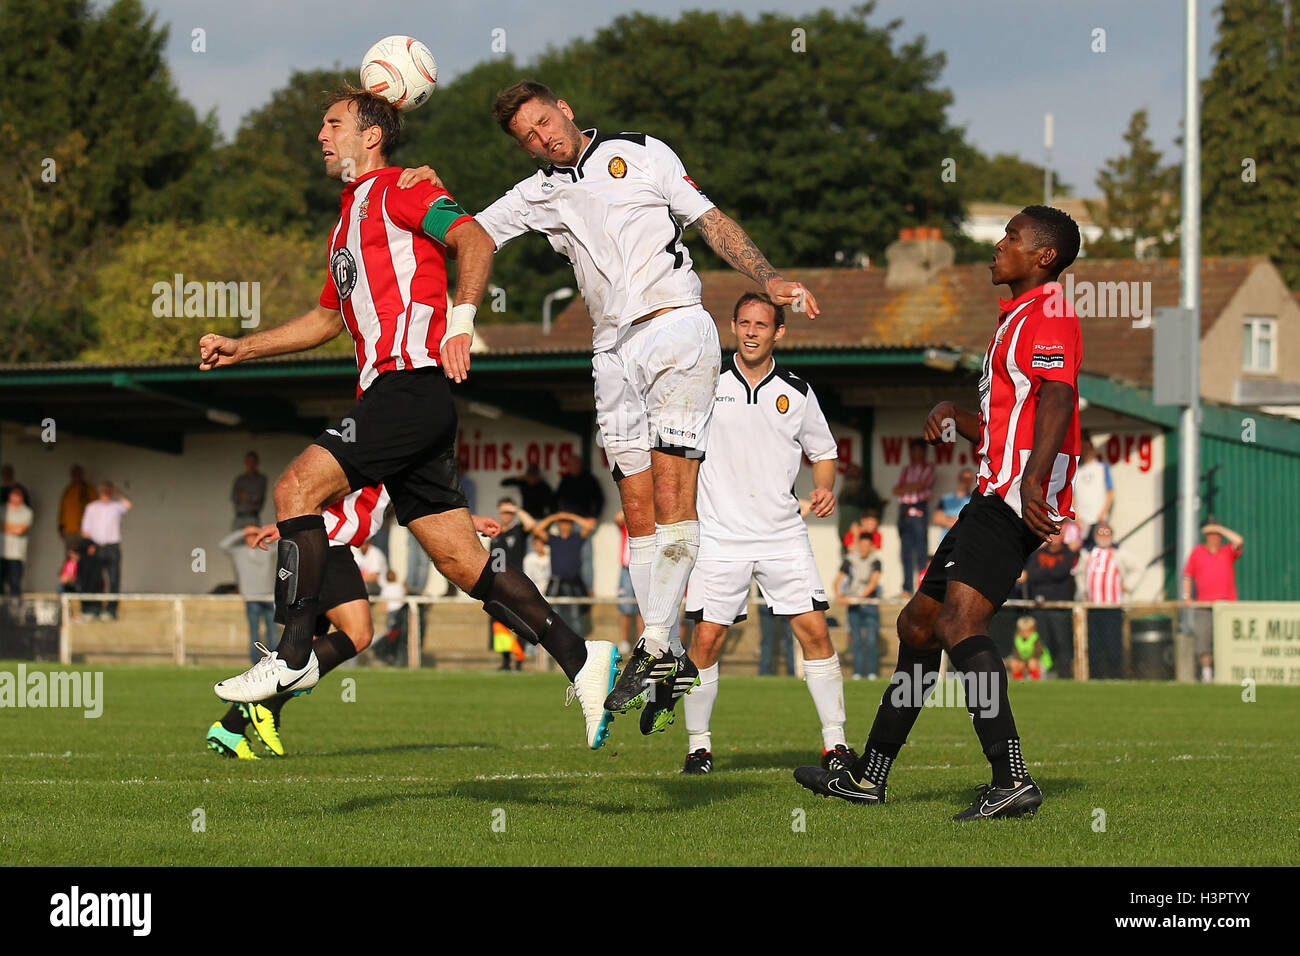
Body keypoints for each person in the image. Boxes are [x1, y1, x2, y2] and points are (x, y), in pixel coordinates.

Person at [197, 85, 619, 750]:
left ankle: (291, 651)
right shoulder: (345, 220)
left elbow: (474, 237)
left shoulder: (400, 188)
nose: (321, 136)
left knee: (293, 492)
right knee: (462, 562)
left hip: (408, 387)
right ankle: (580, 655)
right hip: (398, 400)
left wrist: (462, 318)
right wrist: (242, 345)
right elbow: (326, 319)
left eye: (332, 124)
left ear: (371, 135)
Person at [403, 79, 820, 718]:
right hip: (609, 350)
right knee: (637, 508)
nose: (543, 138)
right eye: (529, 137)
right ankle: (669, 651)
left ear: (565, 109)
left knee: (675, 493)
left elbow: (709, 220)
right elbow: (468, 234)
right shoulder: (536, 192)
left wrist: (767, 278)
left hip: (675, 325)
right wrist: (430, 193)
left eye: (546, 121)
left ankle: (654, 644)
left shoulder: (645, 152)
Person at [796, 205, 1083, 820]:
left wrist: (1033, 481)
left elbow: (1060, 394)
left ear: (1044, 257)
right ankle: (870, 777)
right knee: (918, 627)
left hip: (1013, 496)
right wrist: (957, 408)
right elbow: (1011, 421)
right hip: (999, 487)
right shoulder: (1016, 318)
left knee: (958, 626)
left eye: (1011, 237)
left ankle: (1011, 779)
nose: (998, 245)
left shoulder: (1052, 311)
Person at [676, 292, 850, 775]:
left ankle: (835, 745)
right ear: (733, 326)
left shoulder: (797, 390)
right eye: (745, 323)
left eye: (762, 324)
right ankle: (698, 747)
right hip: (719, 536)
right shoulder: (705, 382)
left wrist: (822, 487)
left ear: (779, 333)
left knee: (814, 631)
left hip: (782, 535)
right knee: (706, 640)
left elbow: (824, 451)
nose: (752, 331)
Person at [205, 482, 505, 758]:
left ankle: (230, 727)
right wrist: (288, 523)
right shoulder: (374, 451)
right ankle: (264, 704)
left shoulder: (388, 459)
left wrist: (469, 521)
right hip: (327, 546)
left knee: (304, 651)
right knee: (358, 633)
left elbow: (409, 503)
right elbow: (320, 486)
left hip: (320, 546)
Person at [1181, 520, 1244, 682]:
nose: (1213, 539)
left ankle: (1226, 672)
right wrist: (1187, 596)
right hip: (1204, 604)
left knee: (1224, 640)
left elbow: (1239, 540)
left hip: (1225, 605)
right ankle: (1207, 674)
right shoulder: (1198, 552)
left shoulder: (1227, 551)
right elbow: (1188, 575)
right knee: (1204, 640)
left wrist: (1220, 529)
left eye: (1216, 535)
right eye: (1210, 535)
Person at [1079, 524, 1142, 678]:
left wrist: (1128, 585)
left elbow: (1139, 567)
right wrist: (1083, 591)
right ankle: (1096, 676)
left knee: (1113, 645)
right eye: (1100, 533)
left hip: (1113, 607)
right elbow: (1079, 574)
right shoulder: (1088, 554)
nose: (1103, 536)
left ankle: (1115, 675)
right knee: (1094, 646)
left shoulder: (1119, 553)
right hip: (1093, 607)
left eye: (1107, 533)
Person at [218, 524, 278, 664]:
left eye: (254, 536)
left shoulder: (267, 550)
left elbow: (281, 542)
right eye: (249, 537)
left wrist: (262, 532)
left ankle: (274, 662)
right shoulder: (239, 552)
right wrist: (242, 532)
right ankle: (255, 663)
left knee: (272, 632)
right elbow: (223, 545)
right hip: (251, 598)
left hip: (269, 596)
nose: (252, 539)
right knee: (254, 633)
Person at [1022, 528, 1077, 675]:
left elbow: (1061, 572)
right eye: (1052, 533)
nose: (1055, 537)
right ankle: (1045, 671)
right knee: (1043, 642)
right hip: (1040, 606)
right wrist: (1049, 573)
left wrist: (1043, 572)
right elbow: (1032, 574)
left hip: (1060, 608)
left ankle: (1065, 674)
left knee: (1062, 642)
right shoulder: (1038, 554)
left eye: (1058, 534)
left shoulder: (1068, 553)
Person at [534, 510, 596, 638]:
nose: (565, 525)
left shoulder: (576, 538)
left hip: (574, 583)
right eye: (562, 522)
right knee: (556, 616)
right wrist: (554, 517)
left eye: (567, 523)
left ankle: (577, 644)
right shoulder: (553, 539)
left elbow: (589, 526)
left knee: (575, 617)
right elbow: (536, 530)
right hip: (557, 583)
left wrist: (571, 516)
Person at [79, 482, 132, 620]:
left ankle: (111, 611)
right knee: (95, 580)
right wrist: (89, 545)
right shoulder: (91, 507)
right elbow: (85, 530)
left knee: (113, 579)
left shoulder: (115, 506)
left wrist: (116, 492)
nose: (105, 494)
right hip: (96, 546)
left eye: (107, 491)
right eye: (103, 491)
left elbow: (128, 505)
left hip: (112, 547)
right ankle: (94, 609)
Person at [835, 533, 883, 680]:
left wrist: (857, 598)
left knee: (870, 639)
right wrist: (839, 595)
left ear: (871, 547)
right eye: (862, 545)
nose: (864, 548)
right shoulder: (849, 560)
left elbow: (873, 583)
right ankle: (857, 672)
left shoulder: (875, 561)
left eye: (867, 546)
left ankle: (871, 672)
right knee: (855, 639)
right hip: (853, 605)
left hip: (869, 604)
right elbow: (838, 580)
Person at [892, 439, 935, 595]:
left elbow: (923, 485)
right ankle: (907, 587)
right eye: (914, 451)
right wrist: (912, 486)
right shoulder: (906, 469)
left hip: (918, 509)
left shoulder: (928, 468)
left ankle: (922, 586)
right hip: (904, 510)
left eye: (919, 450)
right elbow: (896, 490)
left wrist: (907, 488)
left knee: (921, 550)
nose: (916, 454)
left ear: (924, 452)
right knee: (906, 551)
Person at [1073, 438, 1114, 547]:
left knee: (1099, 548)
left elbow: (1110, 492)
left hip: (1099, 519)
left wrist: (1103, 512)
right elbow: (1072, 495)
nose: (1085, 451)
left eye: (1087, 448)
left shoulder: (1102, 467)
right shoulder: (1076, 470)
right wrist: (1076, 516)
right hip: (1082, 521)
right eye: (1083, 449)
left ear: (1092, 450)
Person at [612, 511, 639, 656]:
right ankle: (624, 641)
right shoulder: (626, 526)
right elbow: (618, 518)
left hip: (642, 567)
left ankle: (641, 641)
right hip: (626, 569)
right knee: (625, 608)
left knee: (642, 609)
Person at [2, 487, 33, 597]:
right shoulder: (2, 509)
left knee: (15, 584)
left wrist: (5, 526)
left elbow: (20, 530)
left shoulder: (26, 512)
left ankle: (13, 611)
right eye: (13, 494)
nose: (15, 497)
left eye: (18, 494)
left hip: (16, 554)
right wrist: (13, 527)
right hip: (2, 552)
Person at [58, 465, 95, 549]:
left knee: (84, 556)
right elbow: (62, 510)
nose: (76, 476)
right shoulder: (68, 490)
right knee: (71, 557)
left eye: (78, 474)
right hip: (69, 530)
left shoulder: (88, 490)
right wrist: (60, 526)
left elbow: (95, 509)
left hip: (84, 530)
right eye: (74, 474)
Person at [933, 468, 975, 536]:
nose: (965, 482)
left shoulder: (973, 500)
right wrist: (959, 521)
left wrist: (948, 518)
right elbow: (937, 519)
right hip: (946, 540)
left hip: (964, 540)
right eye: (963, 479)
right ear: (959, 479)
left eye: (968, 479)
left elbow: (972, 522)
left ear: (972, 481)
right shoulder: (946, 499)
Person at [232, 451, 268, 530]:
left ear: (257, 463)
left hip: (253, 517)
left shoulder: (261, 479)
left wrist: (245, 496)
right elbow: (234, 497)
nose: (250, 464)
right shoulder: (240, 479)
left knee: (253, 541)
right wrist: (248, 497)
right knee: (236, 540)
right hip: (239, 517)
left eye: (253, 462)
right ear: (245, 463)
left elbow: (257, 497)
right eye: (248, 462)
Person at [1009, 615, 1052, 681]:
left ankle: (1035, 680)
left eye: (1027, 631)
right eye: (1022, 631)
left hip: (1040, 663)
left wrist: (1026, 663)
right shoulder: (1017, 639)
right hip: (1025, 662)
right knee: (1014, 663)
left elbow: (1037, 653)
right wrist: (1022, 663)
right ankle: (1018, 681)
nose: (1024, 633)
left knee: (1032, 662)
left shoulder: (1035, 638)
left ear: (1033, 630)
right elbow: (1016, 654)